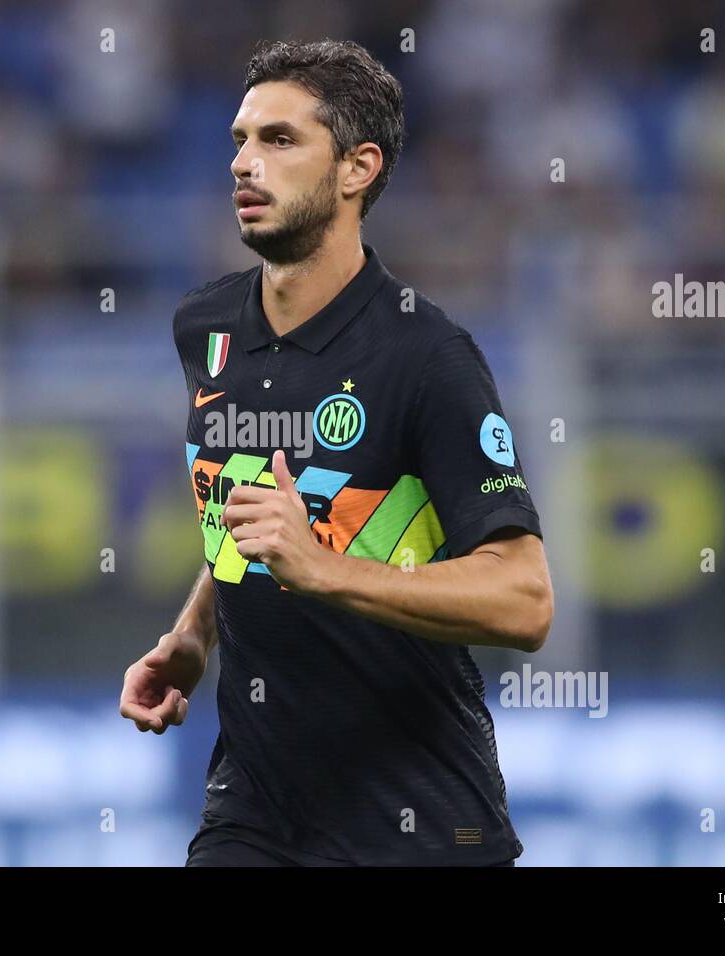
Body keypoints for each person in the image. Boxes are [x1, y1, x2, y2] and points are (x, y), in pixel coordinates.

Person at [120, 38, 553, 866]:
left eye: (280, 141)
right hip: (254, 811)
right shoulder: (205, 328)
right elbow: (261, 517)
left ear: (358, 168)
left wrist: (324, 570)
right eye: (240, 140)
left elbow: (526, 600)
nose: (245, 164)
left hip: (421, 822)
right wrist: (193, 636)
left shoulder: (427, 357)